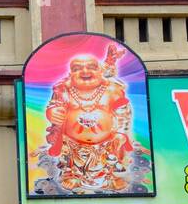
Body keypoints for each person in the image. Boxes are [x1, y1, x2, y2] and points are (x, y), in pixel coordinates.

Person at [43, 46, 144, 194]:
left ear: (100, 71)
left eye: (91, 67)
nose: (85, 72)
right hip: (73, 143)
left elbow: (124, 111)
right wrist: (52, 113)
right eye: (78, 68)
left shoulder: (111, 90)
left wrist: (121, 133)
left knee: (111, 160)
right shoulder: (63, 90)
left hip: (106, 142)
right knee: (72, 162)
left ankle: (111, 177)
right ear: (71, 73)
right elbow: (54, 106)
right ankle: (73, 176)